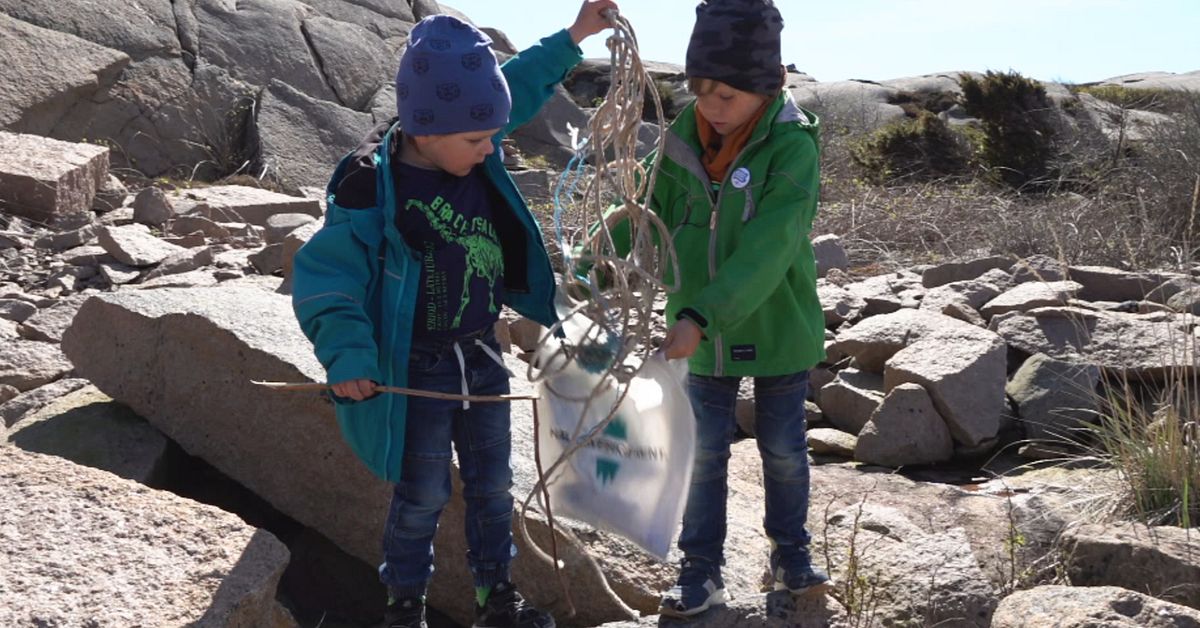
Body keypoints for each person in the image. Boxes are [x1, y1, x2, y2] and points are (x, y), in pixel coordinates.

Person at [291, 4, 618, 628]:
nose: (493, 145)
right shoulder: (370, 187)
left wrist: (575, 36)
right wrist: (349, 354)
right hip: (415, 368)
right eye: (477, 139)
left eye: (491, 133)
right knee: (424, 496)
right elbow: (327, 280)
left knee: (495, 488)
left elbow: (514, 86)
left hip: (482, 353)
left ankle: (497, 602)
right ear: (424, 128)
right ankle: (404, 609)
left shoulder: (469, 143)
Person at [615, 0, 831, 618]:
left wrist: (701, 315)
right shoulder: (682, 138)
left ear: (770, 86)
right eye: (700, 90)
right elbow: (647, 217)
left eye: (727, 95)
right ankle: (700, 568)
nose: (710, 106)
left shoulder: (792, 147)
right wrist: (599, 259)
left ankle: (790, 551)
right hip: (698, 337)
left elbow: (771, 247)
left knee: (784, 449)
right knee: (704, 452)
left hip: (771, 328)